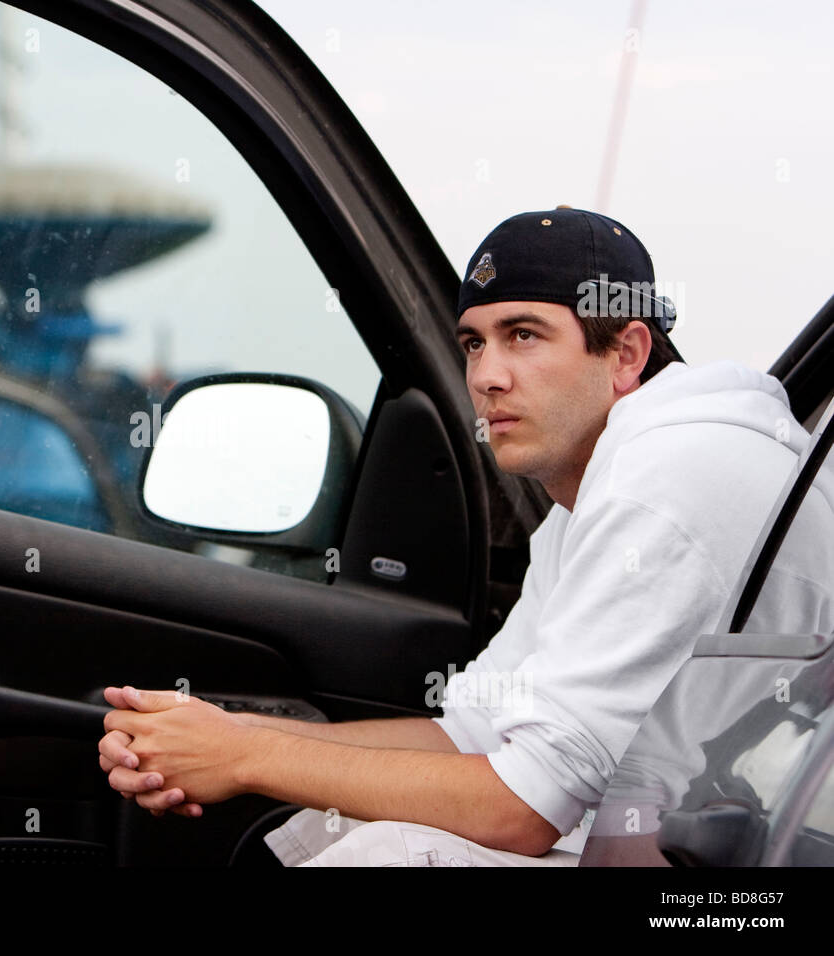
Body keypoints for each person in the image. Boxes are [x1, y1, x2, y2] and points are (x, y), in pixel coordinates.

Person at [97, 207, 810, 865]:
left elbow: (525, 805)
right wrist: (226, 735)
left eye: (524, 336)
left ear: (626, 354)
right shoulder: (591, 499)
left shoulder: (666, 480)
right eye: (473, 343)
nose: (486, 377)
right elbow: (469, 737)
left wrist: (242, 762)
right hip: (685, 846)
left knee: (392, 857)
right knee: (339, 824)